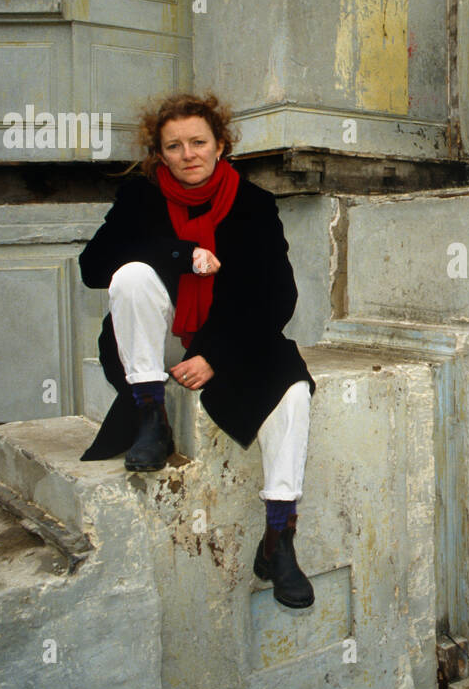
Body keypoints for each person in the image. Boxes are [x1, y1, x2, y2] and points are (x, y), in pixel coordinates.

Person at [77, 92, 316, 609]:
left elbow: (280, 296)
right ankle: (151, 418)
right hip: (154, 335)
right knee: (132, 276)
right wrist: (180, 254)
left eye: (198, 142)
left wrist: (215, 354)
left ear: (220, 144)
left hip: (227, 335)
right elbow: (93, 267)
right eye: (174, 145)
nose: (188, 154)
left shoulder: (254, 205)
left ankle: (279, 538)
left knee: (294, 390)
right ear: (159, 154)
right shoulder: (140, 198)